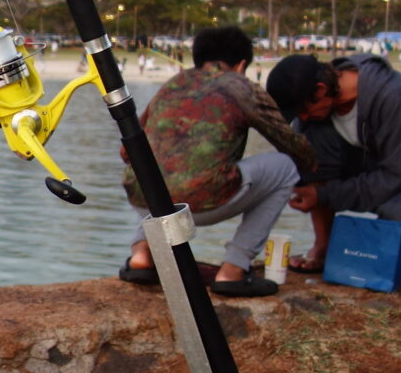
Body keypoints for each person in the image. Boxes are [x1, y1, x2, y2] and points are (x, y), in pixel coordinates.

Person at [119, 25, 315, 297]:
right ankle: (234, 268)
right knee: (284, 167)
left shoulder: (174, 83)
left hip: (145, 202)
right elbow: (290, 143)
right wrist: (314, 170)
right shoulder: (239, 85)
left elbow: (128, 152)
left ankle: (141, 256)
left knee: (153, 170)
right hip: (200, 203)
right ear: (241, 64)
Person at [265, 51, 401, 278]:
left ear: (320, 89)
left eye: (303, 110)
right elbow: (309, 162)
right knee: (309, 145)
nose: (303, 118)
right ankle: (323, 246)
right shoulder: (325, 103)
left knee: (399, 211)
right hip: (380, 165)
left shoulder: (396, 96)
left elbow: (395, 176)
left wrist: (324, 195)